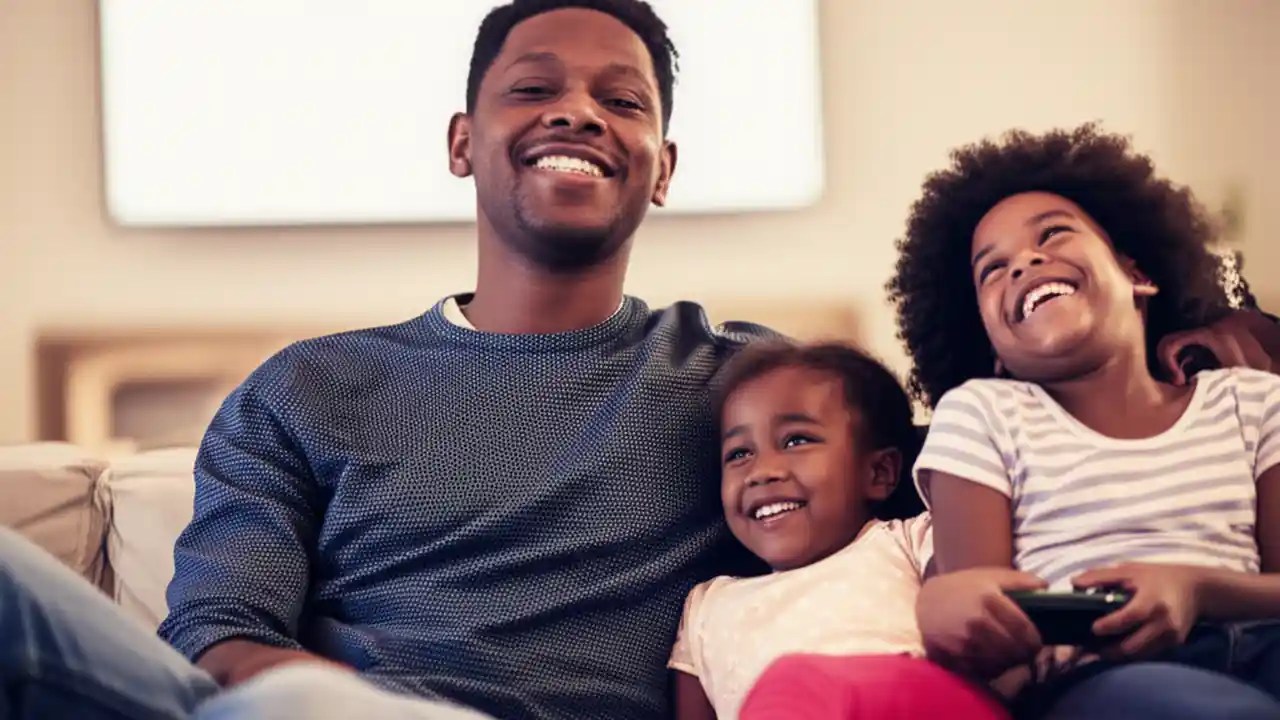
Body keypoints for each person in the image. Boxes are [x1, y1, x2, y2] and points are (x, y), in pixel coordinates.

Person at [0, 2, 775, 719]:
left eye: (624, 101)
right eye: (534, 86)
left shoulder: (744, 385)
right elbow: (219, 635)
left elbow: (893, 491)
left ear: (664, 168)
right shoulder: (306, 389)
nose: (577, 111)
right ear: (462, 142)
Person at [887, 123, 1280, 719]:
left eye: (1054, 234)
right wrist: (946, 603)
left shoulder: (1253, 404)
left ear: (1137, 275)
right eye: (992, 270)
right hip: (1105, 678)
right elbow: (986, 627)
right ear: (990, 343)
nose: (1024, 262)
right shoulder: (982, 416)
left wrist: (1194, 589)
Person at [668, 341, 1006, 720]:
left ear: (877, 473)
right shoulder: (707, 608)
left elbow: (976, 596)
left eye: (796, 440)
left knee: (797, 681)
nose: (761, 471)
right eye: (739, 454)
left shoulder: (908, 543)